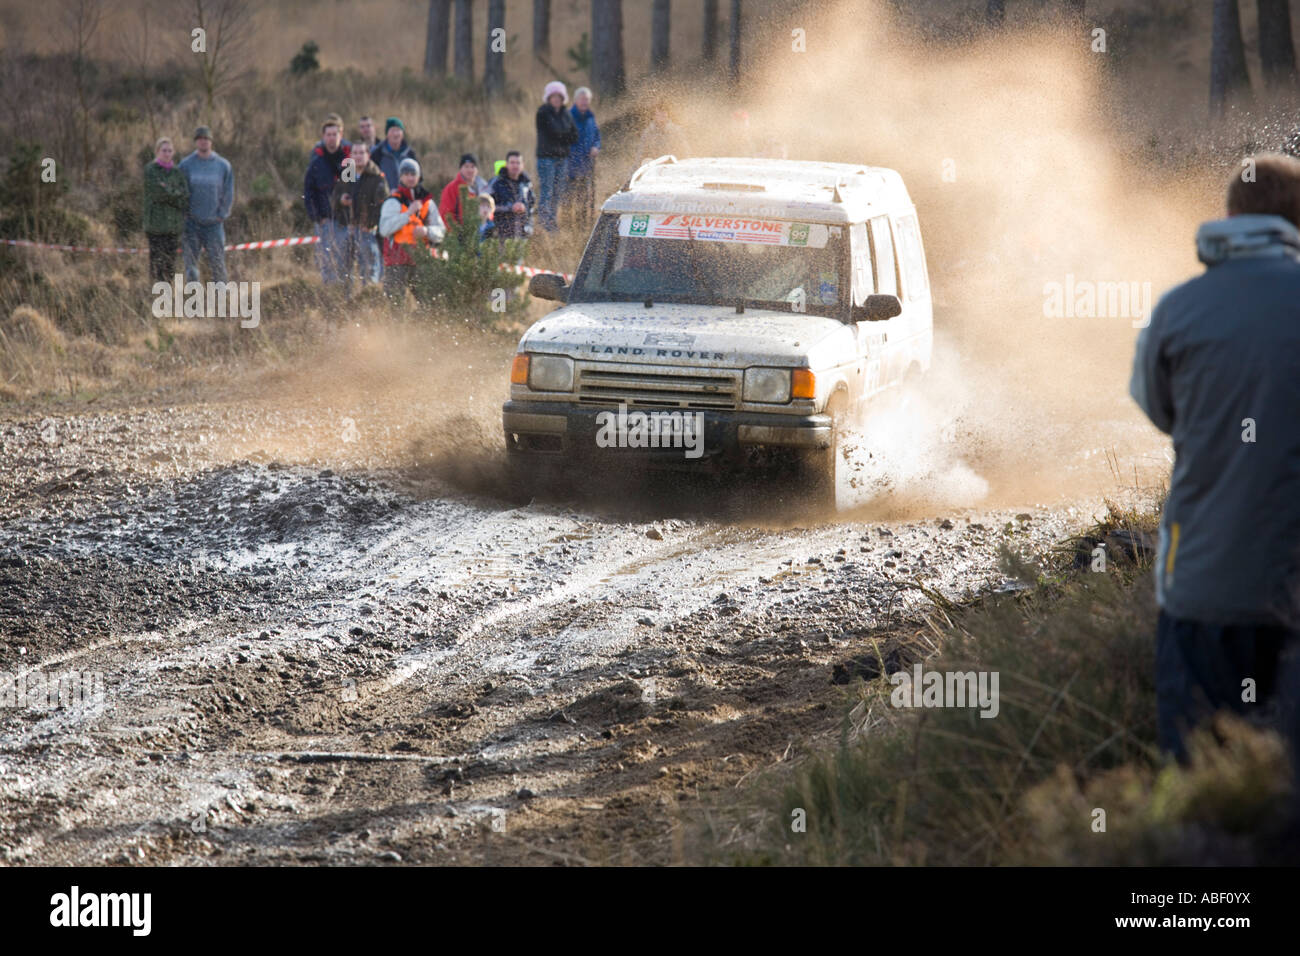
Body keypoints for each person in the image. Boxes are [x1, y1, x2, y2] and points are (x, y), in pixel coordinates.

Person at [1129, 153, 1300, 765]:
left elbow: (1161, 412)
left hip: (1205, 587)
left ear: (1229, 216)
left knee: (1200, 781)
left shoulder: (1177, 311)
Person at [378, 158, 445, 301]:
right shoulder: (392, 202)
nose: (410, 177)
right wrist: (408, 214)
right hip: (396, 262)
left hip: (421, 261)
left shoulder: (428, 203)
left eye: (413, 174)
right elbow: (384, 229)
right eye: (406, 174)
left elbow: (441, 232)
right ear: (400, 177)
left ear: (418, 177)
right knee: (395, 306)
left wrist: (426, 231)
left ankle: (418, 323)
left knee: (429, 303)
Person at [178, 126, 234, 283]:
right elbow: (180, 192)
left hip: (214, 225)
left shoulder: (223, 165)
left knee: (218, 266)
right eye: (200, 139)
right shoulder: (185, 165)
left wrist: (222, 215)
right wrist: (185, 214)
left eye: (206, 139)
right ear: (196, 142)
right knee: (191, 268)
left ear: (211, 142)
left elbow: (228, 192)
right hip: (191, 224)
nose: (203, 142)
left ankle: (221, 302)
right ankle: (193, 303)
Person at [333, 140, 388, 292]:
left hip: (369, 231)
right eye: (355, 153)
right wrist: (341, 200)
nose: (358, 156)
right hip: (348, 229)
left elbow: (383, 206)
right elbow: (335, 197)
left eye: (361, 153)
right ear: (350, 155)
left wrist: (370, 224)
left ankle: (370, 298)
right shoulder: (348, 173)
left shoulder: (376, 176)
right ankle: (347, 301)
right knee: (345, 270)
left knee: (370, 270)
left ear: (368, 155)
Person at [303, 115, 351, 285]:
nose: (331, 138)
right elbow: (309, 192)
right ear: (323, 136)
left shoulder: (347, 159)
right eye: (328, 134)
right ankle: (328, 294)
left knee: (345, 260)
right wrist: (317, 216)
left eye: (334, 134)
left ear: (340, 135)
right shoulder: (317, 161)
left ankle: (345, 294)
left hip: (343, 220)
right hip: (324, 220)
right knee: (325, 260)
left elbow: (350, 187)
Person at [142, 137, 189, 285]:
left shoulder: (177, 172)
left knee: (170, 265)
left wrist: (167, 190)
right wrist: (174, 193)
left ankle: (167, 298)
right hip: (155, 226)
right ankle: (155, 296)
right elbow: (157, 193)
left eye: (169, 151)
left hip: (173, 227)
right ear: (157, 152)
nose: (167, 153)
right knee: (156, 264)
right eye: (164, 150)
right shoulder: (151, 170)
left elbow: (184, 197)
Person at [535, 81, 578, 232]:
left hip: (562, 159)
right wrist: (564, 135)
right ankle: (543, 223)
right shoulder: (543, 112)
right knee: (547, 191)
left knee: (557, 192)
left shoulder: (566, 114)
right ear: (548, 97)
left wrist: (563, 135)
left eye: (559, 96)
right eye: (553, 96)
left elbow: (574, 135)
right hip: (546, 158)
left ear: (563, 97)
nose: (556, 99)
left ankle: (552, 222)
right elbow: (553, 132)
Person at [566, 86, 602, 230]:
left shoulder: (591, 117)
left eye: (587, 99)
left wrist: (596, 147)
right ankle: (567, 227)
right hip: (570, 166)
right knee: (568, 199)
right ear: (575, 100)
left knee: (584, 198)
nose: (584, 102)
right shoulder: (568, 116)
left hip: (587, 166)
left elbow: (597, 137)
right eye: (582, 99)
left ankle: (583, 227)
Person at [490, 150, 535, 243]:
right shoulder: (496, 183)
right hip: (500, 235)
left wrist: (529, 227)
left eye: (518, 163)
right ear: (506, 164)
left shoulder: (527, 184)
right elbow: (487, 207)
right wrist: (510, 208)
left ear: (522, 165)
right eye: (512, 162)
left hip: (522, 235)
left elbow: (531, 208)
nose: (515, 165)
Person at [439, 153, 489, 226]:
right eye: (466, 166)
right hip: (460, 233)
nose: (470, 170)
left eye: (473, 166)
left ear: (477, 169)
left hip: (483, 233)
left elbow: (490, 209)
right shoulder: (451, 188)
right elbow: (446, 214)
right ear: (461, 168)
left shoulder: (484, 187)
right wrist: (457, 232)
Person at [371, 117, 418, 190]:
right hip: (384, 198)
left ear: (402, 134)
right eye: (392, 130)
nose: (395, 134)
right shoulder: (377, 153)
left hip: (406, 198)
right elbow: (371, 178)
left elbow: (418, 178)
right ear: (387, 134)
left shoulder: (410, 153)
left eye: (398, 130)